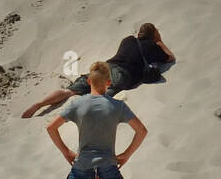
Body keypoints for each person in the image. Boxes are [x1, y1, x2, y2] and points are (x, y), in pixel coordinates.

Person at [21, 23, 174, 118]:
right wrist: (159, 41)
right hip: (121, 74)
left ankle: (40, 104)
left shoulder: (128, 39)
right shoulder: (152, 46)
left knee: (71, 90)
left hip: (105, 66)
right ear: (153, 35)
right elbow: (170, 58)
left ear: (138, 34)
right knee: (103, 96)